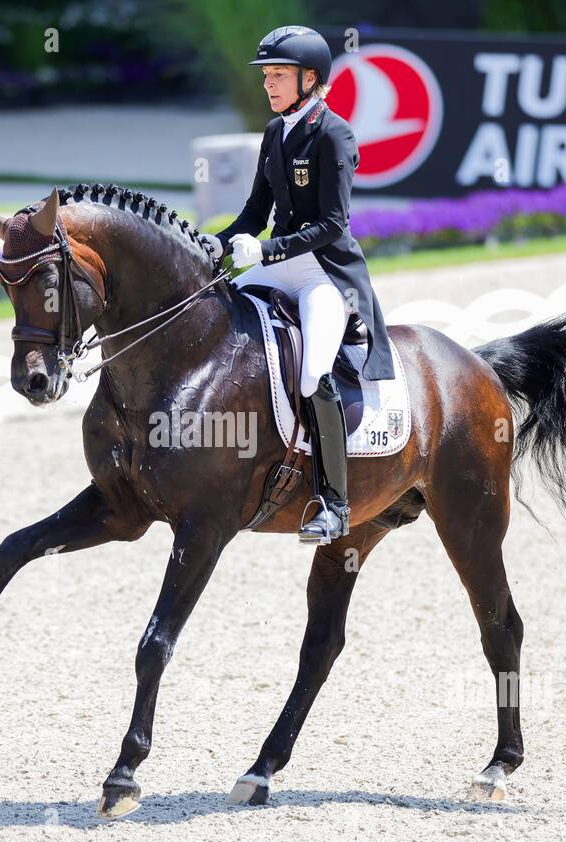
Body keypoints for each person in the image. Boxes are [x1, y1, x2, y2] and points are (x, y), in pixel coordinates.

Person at [201, 25, 395, 546]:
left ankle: (334, 503)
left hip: (323, 274)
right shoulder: (275, 132)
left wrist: (265, 249)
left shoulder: (334, 134)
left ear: (311, 78)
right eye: (267, 76)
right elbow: (254, 212)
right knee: (209, 313)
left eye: (279, 75)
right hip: (278, 264)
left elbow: (334, 224)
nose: (269, 84)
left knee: (313, 375)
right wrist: (213, 246)